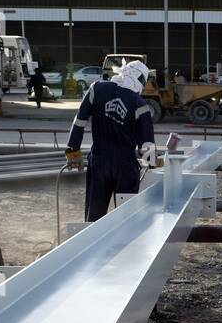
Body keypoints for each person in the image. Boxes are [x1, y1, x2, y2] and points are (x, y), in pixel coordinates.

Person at [63, 60, 156, 222]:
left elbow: (79, 121)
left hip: (99, 161)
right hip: (125, 166)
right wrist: (153, 161)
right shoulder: (139, 104)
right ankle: (124, 245)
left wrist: (73, 151)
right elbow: (146, 145)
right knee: (127, 216)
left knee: (94, 214)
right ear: (141, 80)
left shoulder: (97, 89)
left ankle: (92, 243)